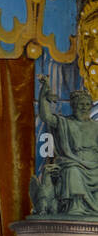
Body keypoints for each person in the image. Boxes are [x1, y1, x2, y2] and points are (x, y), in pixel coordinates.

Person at [37, 78, 98, 218]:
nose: (85, 107)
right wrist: (44, 94)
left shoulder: (96, 126)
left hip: (94, 165)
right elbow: (46, 116)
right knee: (72, 171)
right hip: (73, 162)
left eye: (88, 104)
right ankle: (76, 208)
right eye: (81, 104)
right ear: (74, 105)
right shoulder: (65, 123)